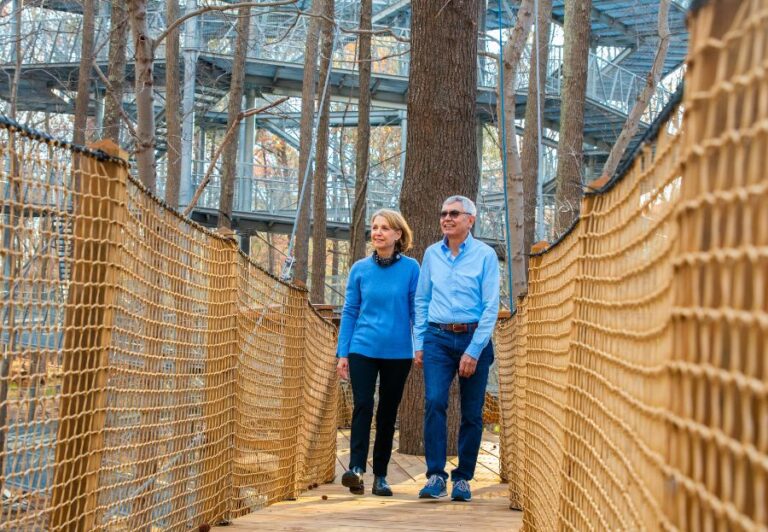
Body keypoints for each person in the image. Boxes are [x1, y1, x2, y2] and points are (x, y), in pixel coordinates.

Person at [413, 195, 500, 502]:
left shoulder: (485, 255)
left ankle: (463, 478)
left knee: (472, 413)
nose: (446, 218)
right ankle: (435, 476)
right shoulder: (431, 254)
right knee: (435, 402)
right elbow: (422, 299)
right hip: (437, 337)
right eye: (443, 213)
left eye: (454, 214)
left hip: (473, 337)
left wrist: (474, 350)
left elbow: (491, 307)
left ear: (470, 220)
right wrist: (419, 341)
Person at [336, 209, 420, 496]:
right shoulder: (359, 269)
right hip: (363, 348)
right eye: (374, 227)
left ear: (398, 234)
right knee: (363, 406)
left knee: (387, 413)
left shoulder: (411, 269)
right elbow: (350, 311)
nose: (378, 232)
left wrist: (419, 345)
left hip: (398, 352)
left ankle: (381, 476)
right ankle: (356, 469)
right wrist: (343, 352)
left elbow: (415, 311)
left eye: (385, 228)